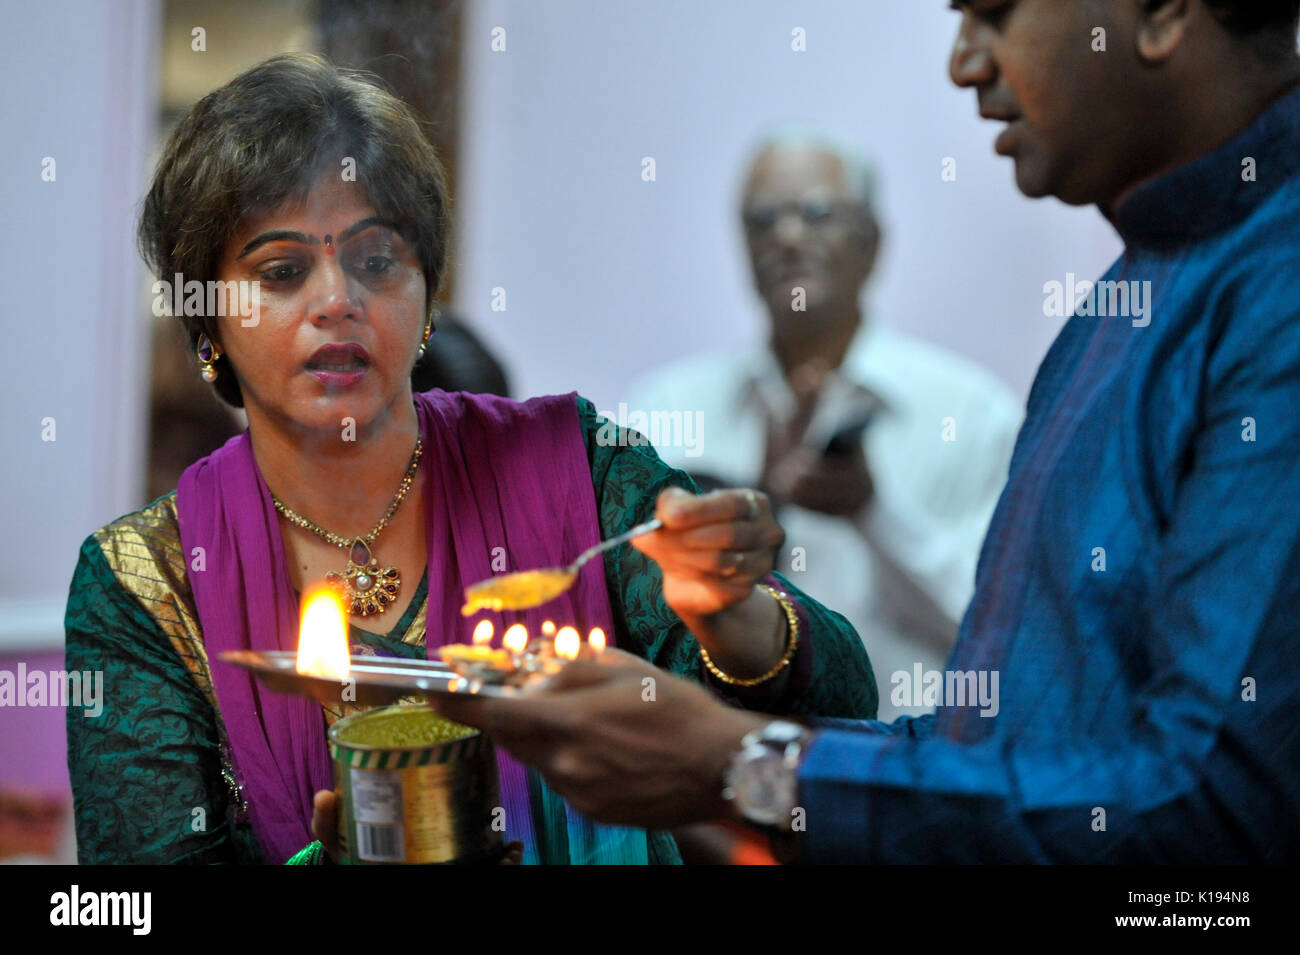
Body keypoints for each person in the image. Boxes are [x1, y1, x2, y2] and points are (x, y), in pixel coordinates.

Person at [434, 0, 1300, 862]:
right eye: (764, 221)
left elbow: (1212, 813)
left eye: (994, 14)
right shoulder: (1116, 316)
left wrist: (739, 763)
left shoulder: (1273, 297)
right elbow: (994, 745)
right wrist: (721, 764)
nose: (965, 64)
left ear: (1163, 13)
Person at [63, 53, 877, 866]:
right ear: (207, 323)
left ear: (427, 300)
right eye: (281, 271)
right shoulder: (145, 581)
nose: (338, 300)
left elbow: (843, 703)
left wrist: (737, 617)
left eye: (376, 260)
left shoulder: (573, 467)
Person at [626, 134, 1020, 719]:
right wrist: (756, 509)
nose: (786, 237)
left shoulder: (970, 413)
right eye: (763, 219)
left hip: (905, 779)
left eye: (816, 212)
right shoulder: (666, 406)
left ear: (872, 242)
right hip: (706, 777)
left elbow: (1004, 627)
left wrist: (871, 512)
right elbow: (625, 611)